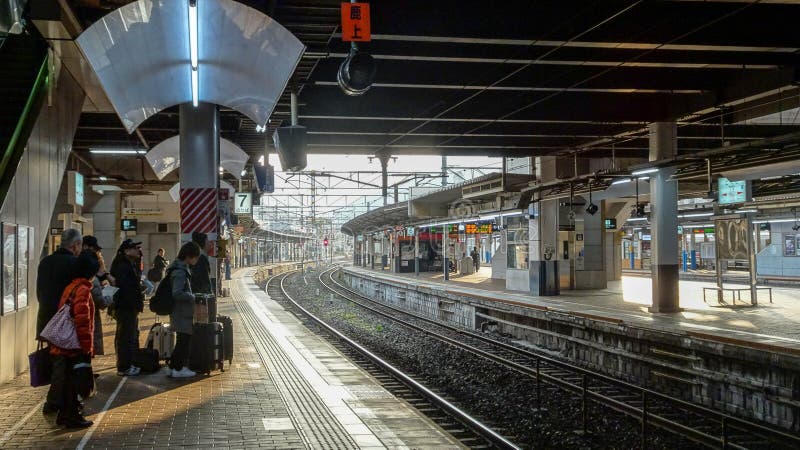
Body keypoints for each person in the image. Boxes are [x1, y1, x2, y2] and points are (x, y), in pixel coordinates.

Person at [49, 250, 99, 428]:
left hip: (64, 341)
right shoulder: (83, 289)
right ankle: (72, 414)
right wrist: (86, 347)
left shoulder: (71, 286)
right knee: (74, 381)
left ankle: (65, 414)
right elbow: (82, 320)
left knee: (68, 379)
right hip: (74, 343)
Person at [37, 228, 81, 415]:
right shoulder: (73, 264)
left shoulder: (45, 262)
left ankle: (57, 399)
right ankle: (55, 401)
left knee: (55, 359)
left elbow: (40, 292)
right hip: (65, 321)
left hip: (46, 318)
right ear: (75, 245)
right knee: (63, 362)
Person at [110, 239, 145, 376]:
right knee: (125, 336)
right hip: (126, 306)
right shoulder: (123, 266)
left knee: (128, 335)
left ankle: (127, 363)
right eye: (135, 248)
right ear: (126, 251)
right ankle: (124, 366)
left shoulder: (129, 263)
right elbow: (127, 287)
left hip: (128, 305)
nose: (138, 250)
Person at [167, 242, 202, 378]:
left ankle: (173, 367)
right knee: (184, 341)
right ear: (189, 256)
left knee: (182, 340)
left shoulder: (177, 268)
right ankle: (179, 368)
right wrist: (192, 296)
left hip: (179, 311)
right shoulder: (180, 272)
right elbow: (177, 293)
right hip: (181, 312)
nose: (196, 260)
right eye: (195, 257)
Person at [83, 236, 114, 356]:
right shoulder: (92, 280)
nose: (97, 253)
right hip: (88, 321)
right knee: (86, 353)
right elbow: (102, 302)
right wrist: (111, 288)